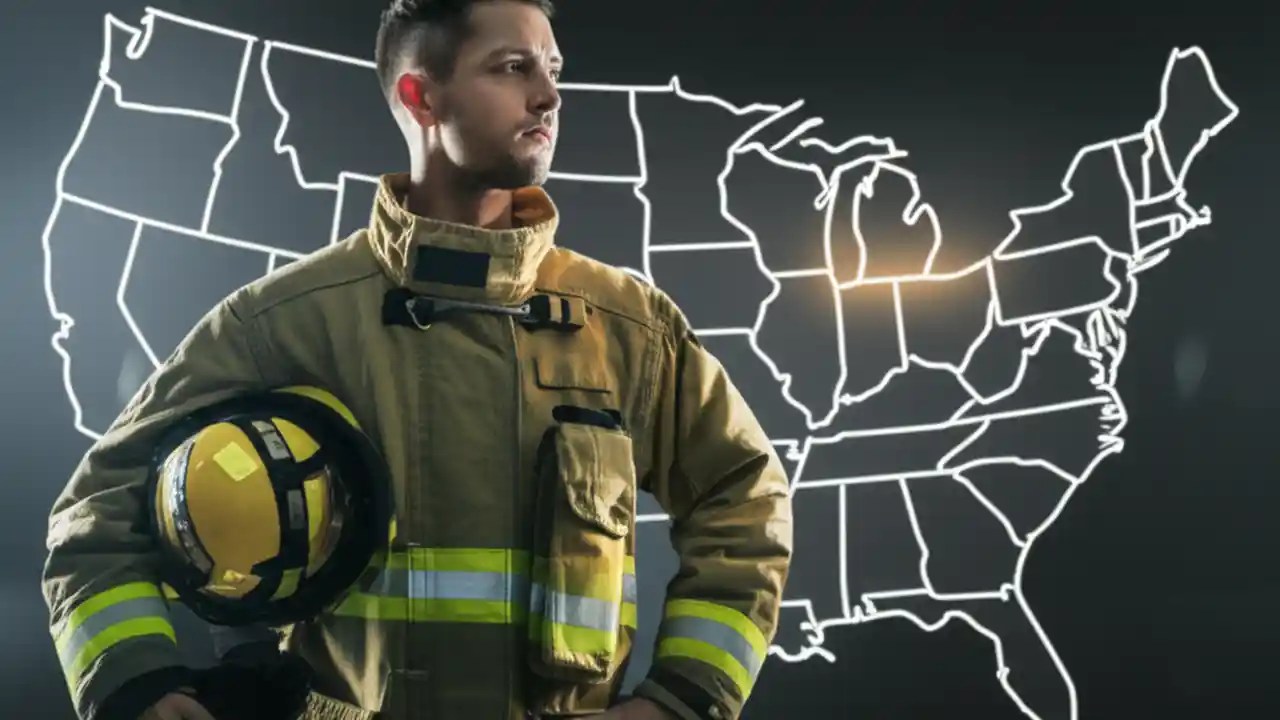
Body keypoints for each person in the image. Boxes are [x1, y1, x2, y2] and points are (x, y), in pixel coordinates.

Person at [41, 1, 794, 718]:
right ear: (420, 97)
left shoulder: (628, 327)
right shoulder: (284, 324)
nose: (547, 97)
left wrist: (683, 697)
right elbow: (95, 514)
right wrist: (136, 679)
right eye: (511, 68)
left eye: (553, 71)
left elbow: (744, 496)